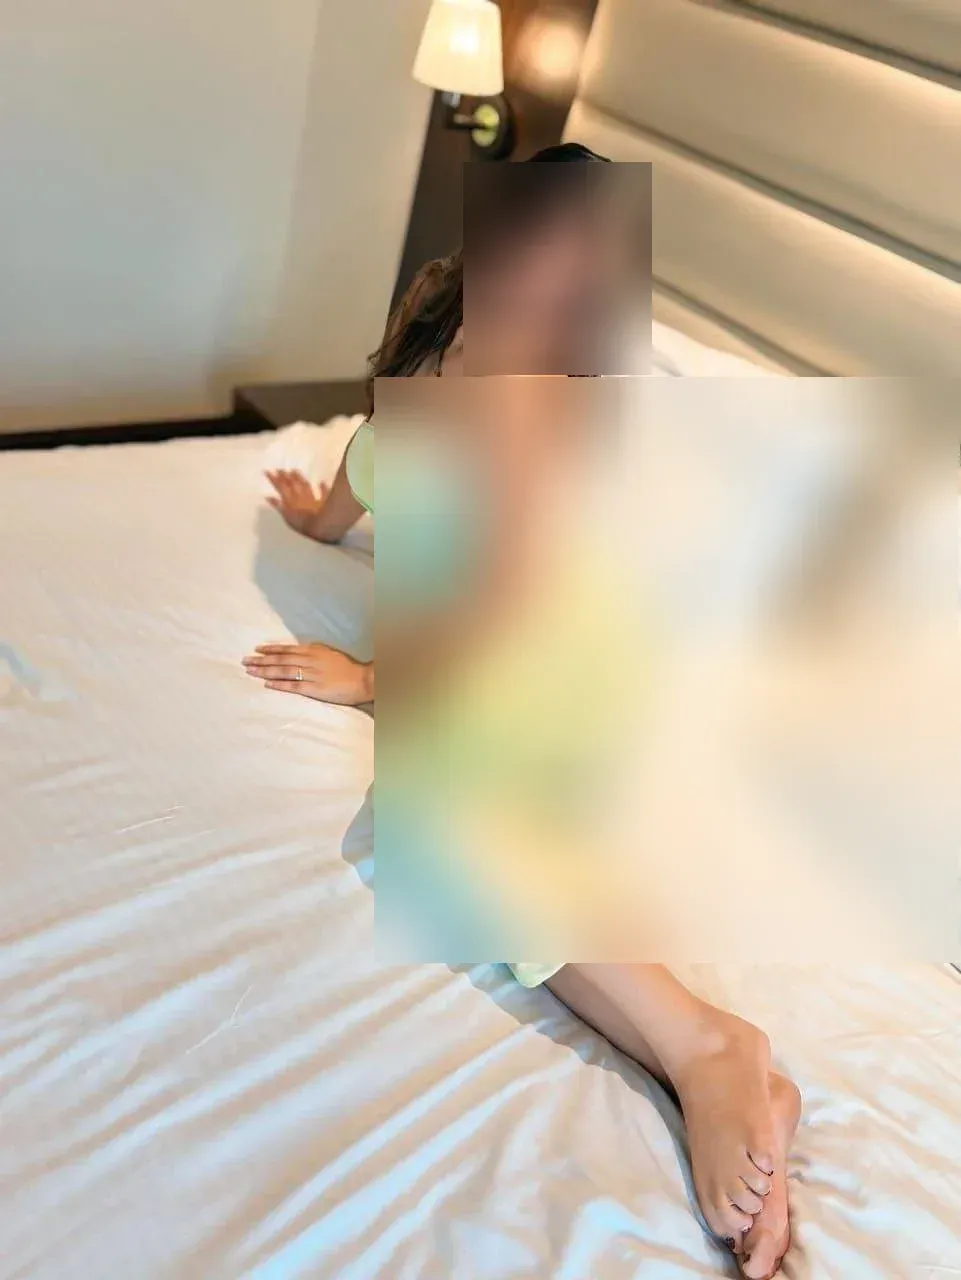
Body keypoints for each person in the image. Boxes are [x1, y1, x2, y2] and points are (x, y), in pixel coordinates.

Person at [241, 143, 800, 1280]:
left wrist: (367, 677)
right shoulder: (414, 380)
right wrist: (312, 519)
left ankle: (705, 1047)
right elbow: (355, 487)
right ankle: (706, 1054)